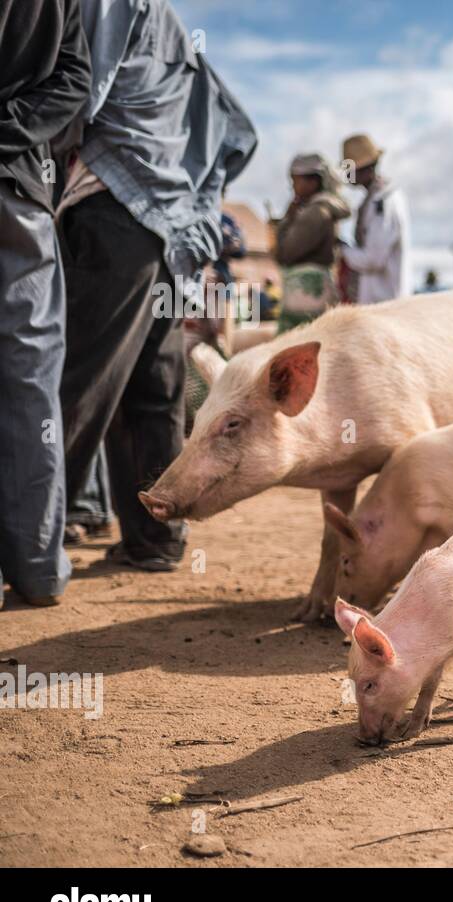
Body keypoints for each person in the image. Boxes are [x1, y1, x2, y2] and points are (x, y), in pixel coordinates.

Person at [58, 0, 257, 574]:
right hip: (171, 235)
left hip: (116, 210)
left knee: (78, 381)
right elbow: (237, 132)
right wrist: (191, 195)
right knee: (149, 393)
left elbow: (78, 96)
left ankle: (24, 541)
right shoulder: (173, 28)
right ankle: (154, 538)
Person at [0, 0, 91, 606]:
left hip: (25, 186)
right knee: (31, 381)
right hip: (23, 187)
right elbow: (74, 79)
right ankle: (37, 568)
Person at [274, 152, 350, 332]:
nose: (293, 186)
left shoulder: (315, 214)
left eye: (296, 181)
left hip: (305, 298)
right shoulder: (318, 210)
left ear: (313, 182)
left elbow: (286, 254)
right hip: (316, 294)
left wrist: (286, 221)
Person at [339, 133, 409, 305]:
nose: (346, 175)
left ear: (364, 169)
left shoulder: (384, 201)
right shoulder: (373, 199)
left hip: (384, 303)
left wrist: (342, 249)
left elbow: (373, 259)